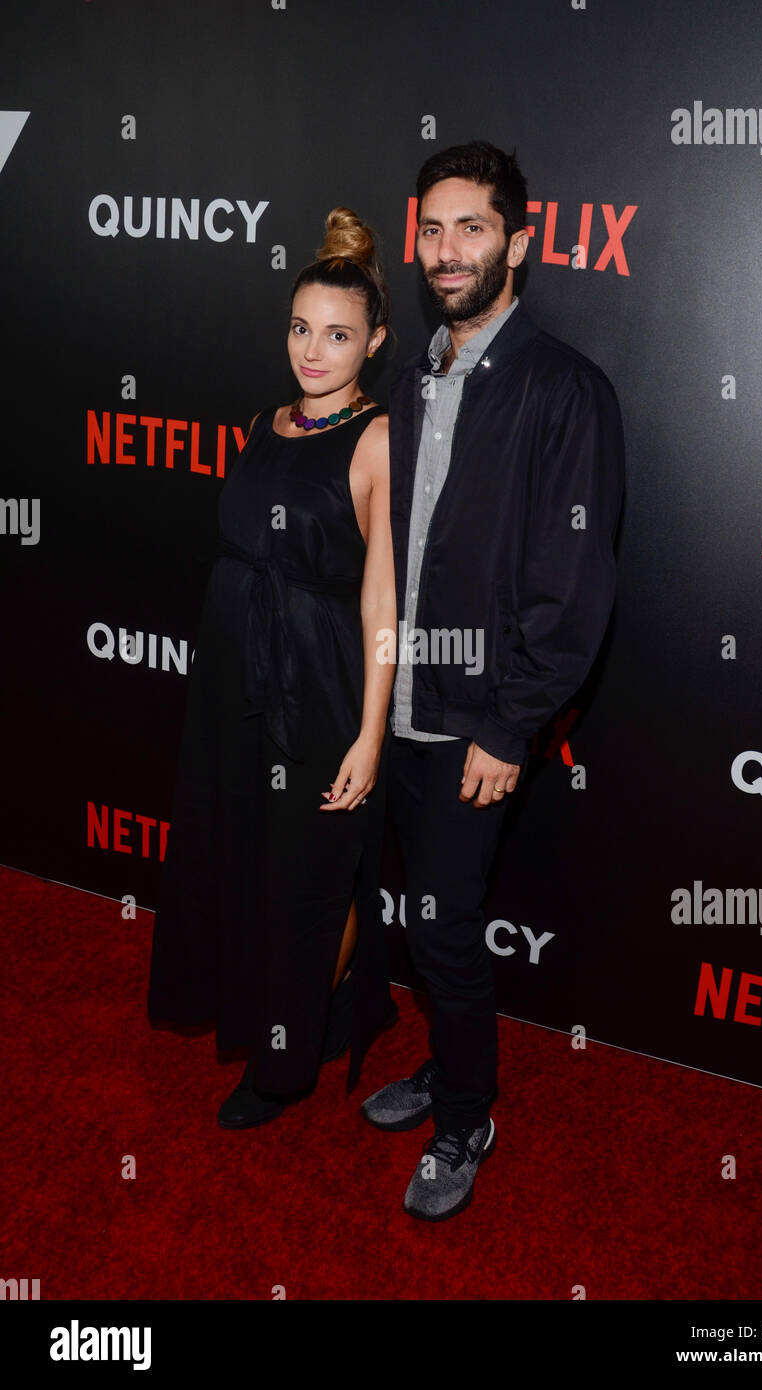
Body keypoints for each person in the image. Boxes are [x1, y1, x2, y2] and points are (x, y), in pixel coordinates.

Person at [361, 141, 626, 1220]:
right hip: (414, 706)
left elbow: (573, 582)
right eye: (432, 229)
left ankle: (468, 1114)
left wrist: (511, 725)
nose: (447, 249)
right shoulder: (419, 376)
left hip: (480, 720)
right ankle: (450, 1066)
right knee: (431, 926)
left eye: (473, 227)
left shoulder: (566, 389)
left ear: (519, 241)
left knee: (445, 926)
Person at [147, 208, 398, 1128]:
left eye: (337, 334)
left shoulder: (377, 438)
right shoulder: (266, 420)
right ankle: (333, 1001)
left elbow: (382, 604)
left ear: (375, 340)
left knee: (312, 875)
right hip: (238, 681)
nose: (313, 350)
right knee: (250, 856)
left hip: (324, 687)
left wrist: (370, 736)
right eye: (301, 328)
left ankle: (287, 1061)